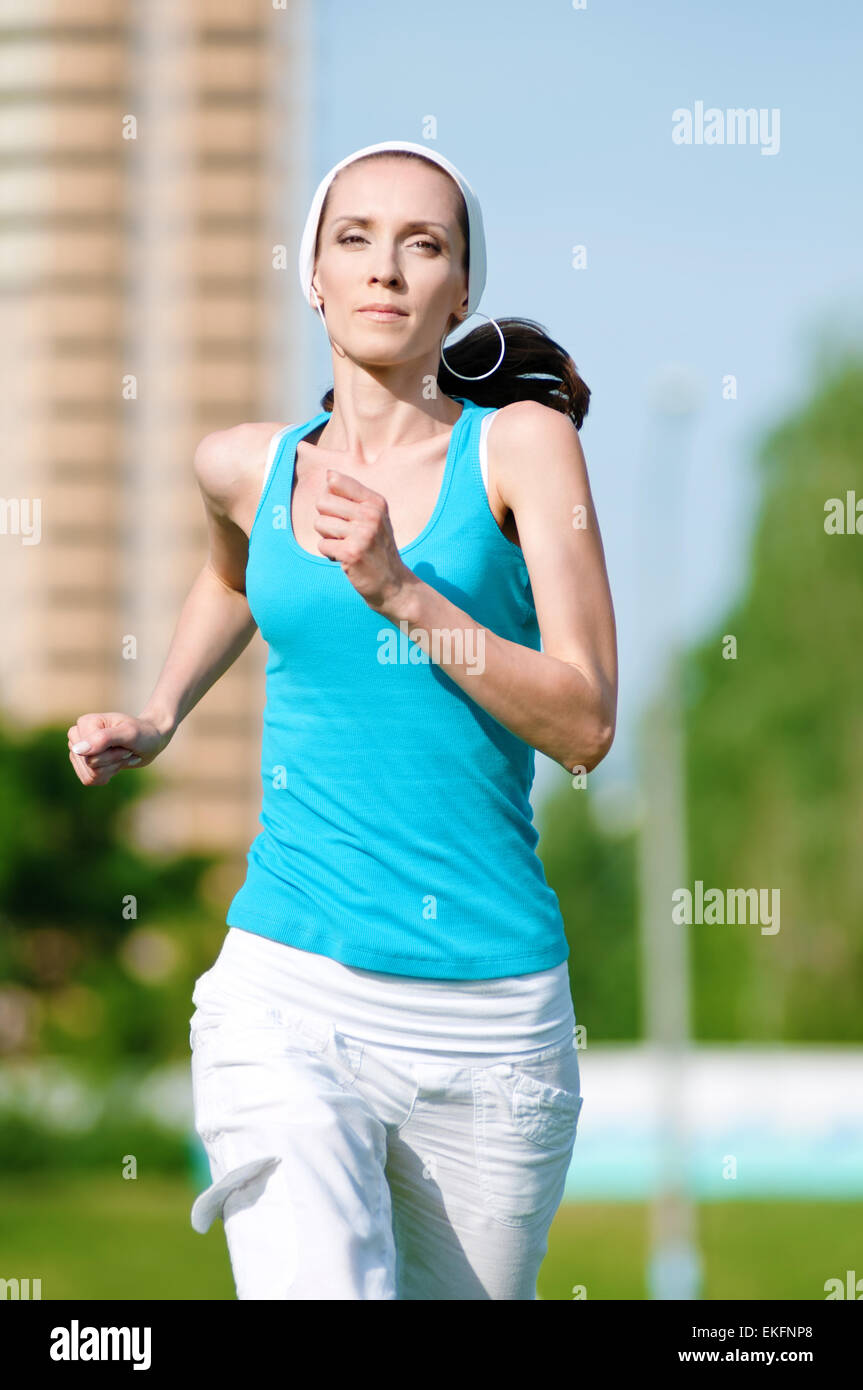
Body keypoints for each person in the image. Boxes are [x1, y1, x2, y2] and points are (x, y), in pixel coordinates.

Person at [67, 139, 618, 1300]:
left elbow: (584, 721)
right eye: (354, 239)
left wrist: (401, 591)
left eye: (423, 244)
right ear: (309, 273)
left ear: (458, 288)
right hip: (289, 982)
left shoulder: (522, 449)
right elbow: (231, 578)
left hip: (492, 1018)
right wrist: (162, 712)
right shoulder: (242, 467)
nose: (385, 268)